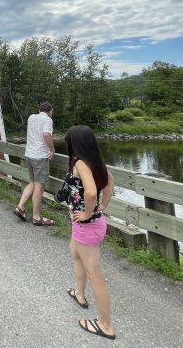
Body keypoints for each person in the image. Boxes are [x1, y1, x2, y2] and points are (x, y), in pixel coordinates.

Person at [63, 125, 116, 341]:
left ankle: (105, 325)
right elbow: (110, 182)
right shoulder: (95, 161)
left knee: (95, 275)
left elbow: (92, 191)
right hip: (89, 225)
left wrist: (86, 213)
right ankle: (80, 294)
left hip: (87, 226)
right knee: (75, 254)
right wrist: (102, 206)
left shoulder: (81, 163)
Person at [13, 101, 55, 226]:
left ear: (39, 110)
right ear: (50, 111)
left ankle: (20, 207)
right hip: (40, 156)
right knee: (39, 186)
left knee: (33, 182)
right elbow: (46, 134)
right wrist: (52, 150)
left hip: (29, 155)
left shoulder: (31, 117)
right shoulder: (48, 120)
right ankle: (36, 217)